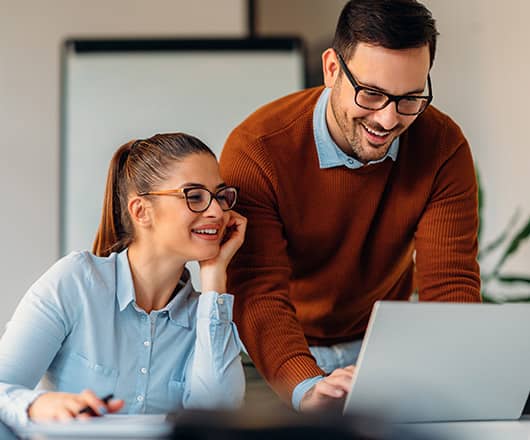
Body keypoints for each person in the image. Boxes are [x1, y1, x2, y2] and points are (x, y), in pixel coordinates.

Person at [219, 0, 481, 413]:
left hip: (382, 351)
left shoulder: (443, 148)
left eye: (411, 98)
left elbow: (449, 284)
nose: (388, 120)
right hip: (277, 355)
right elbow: (257, 290)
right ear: (331, 69)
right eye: (371, 94)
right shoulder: (258, 151)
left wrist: (450, 381)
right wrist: (305, 384)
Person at [0, 133, 246, 427]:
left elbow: (216, 421)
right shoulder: (75, 282)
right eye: (194, 196)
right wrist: (37, 405)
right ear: (141, 211)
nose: (217, 211)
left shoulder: (206, 315)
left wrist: (215, 276)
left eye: (221, 196)